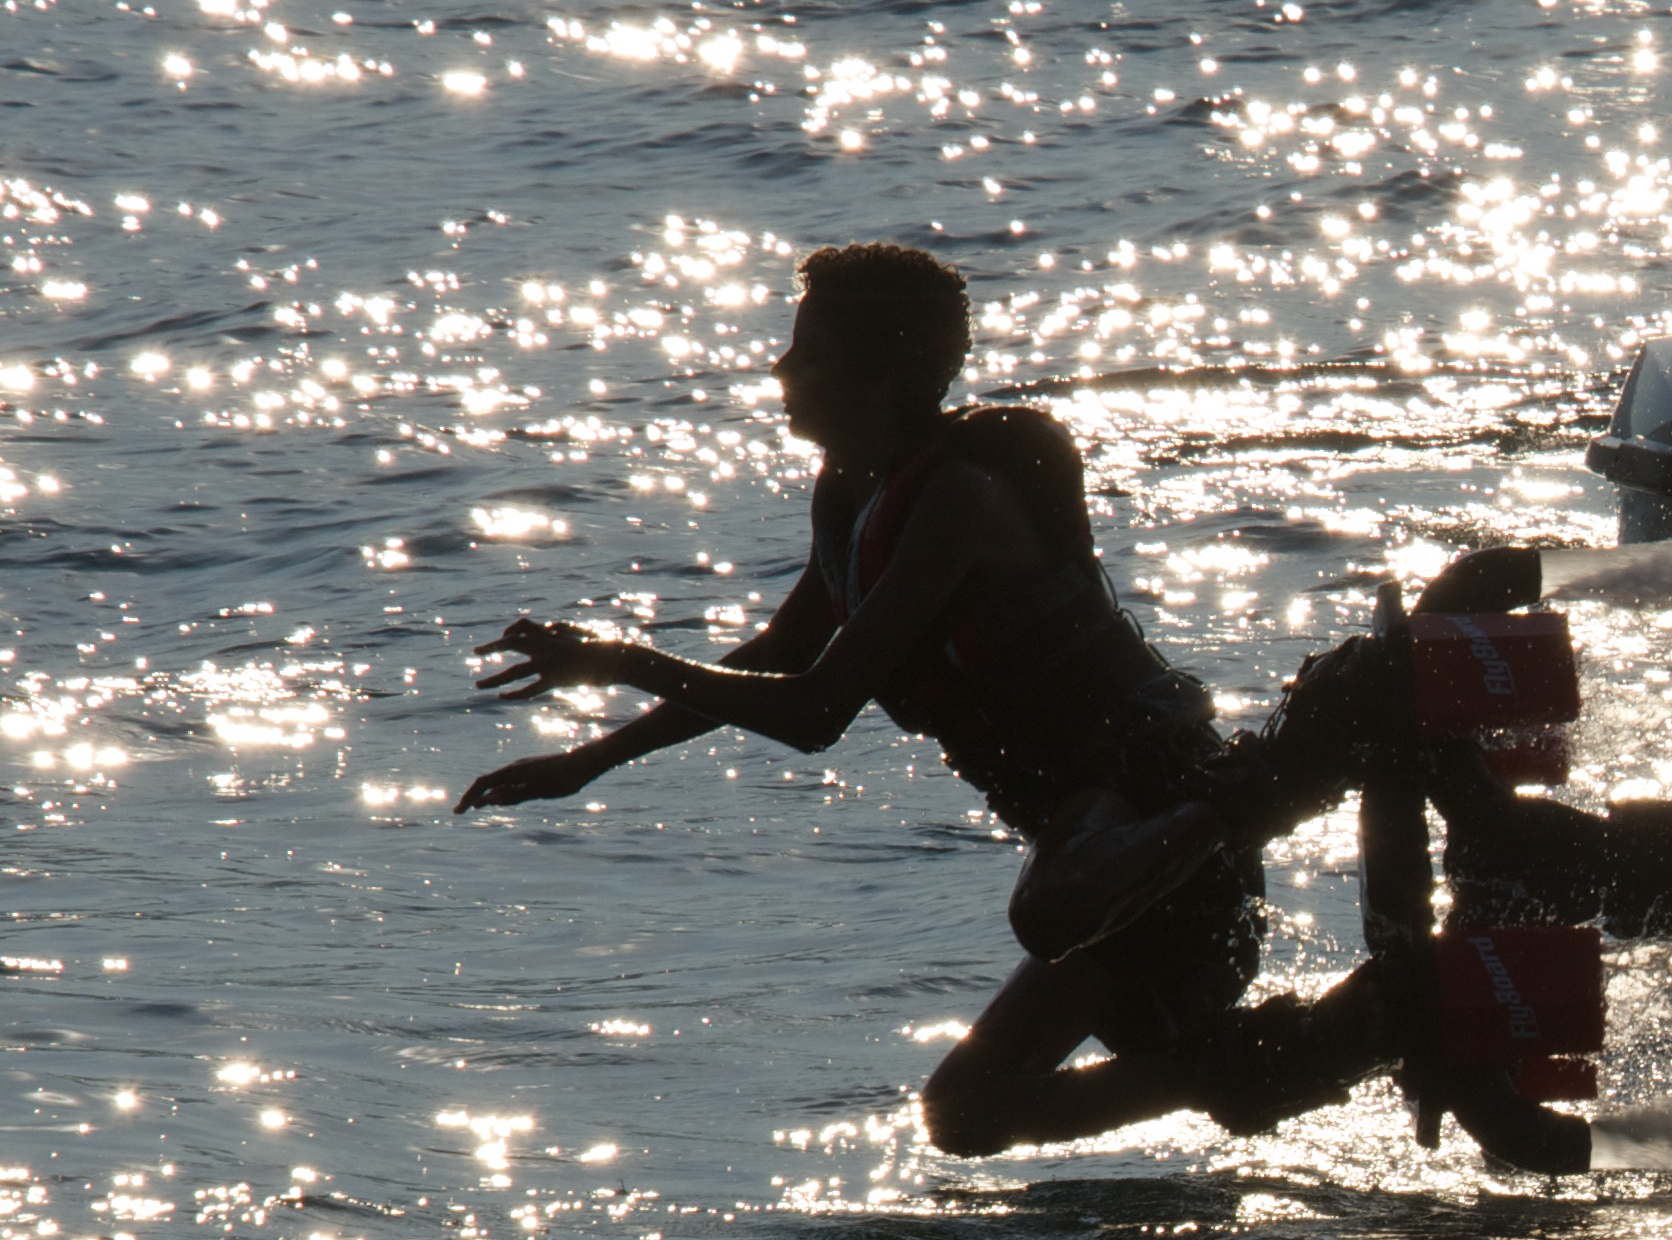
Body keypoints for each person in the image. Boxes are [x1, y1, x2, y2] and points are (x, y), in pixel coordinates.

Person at [454, 241, 1293, 1157]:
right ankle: (1321, 1049)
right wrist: (587, 762)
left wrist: (620, 660)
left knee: (971, 1106)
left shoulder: (961, 500)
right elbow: (780, 653)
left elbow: (816, 711)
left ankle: (1278, 969)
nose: (779, 369)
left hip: (1153, 846)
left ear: (877, 378)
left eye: (803, 354)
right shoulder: (854, 491)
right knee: (1068, 1085)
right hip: (1093, 851)